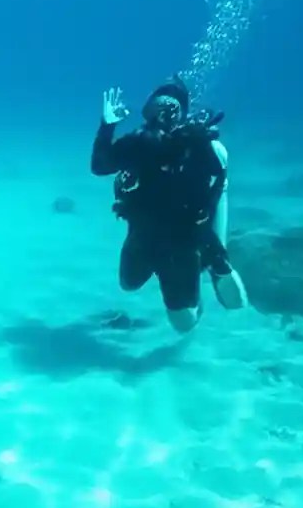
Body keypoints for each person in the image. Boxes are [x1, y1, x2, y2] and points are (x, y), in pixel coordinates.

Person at [90, 74, 248, 333]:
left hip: (183, 242)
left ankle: (208, 269)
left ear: (182, 114)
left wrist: (216, 248)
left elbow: (219, 191)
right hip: (143, 234)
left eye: (171, 107)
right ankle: (206, 265)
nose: (163, 114)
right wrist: (107, 126)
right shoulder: (137, 143)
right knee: (128, 283)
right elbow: (99, 166)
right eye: (157, 107)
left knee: (183, 324)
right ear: (147, 112)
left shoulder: (201, 145)